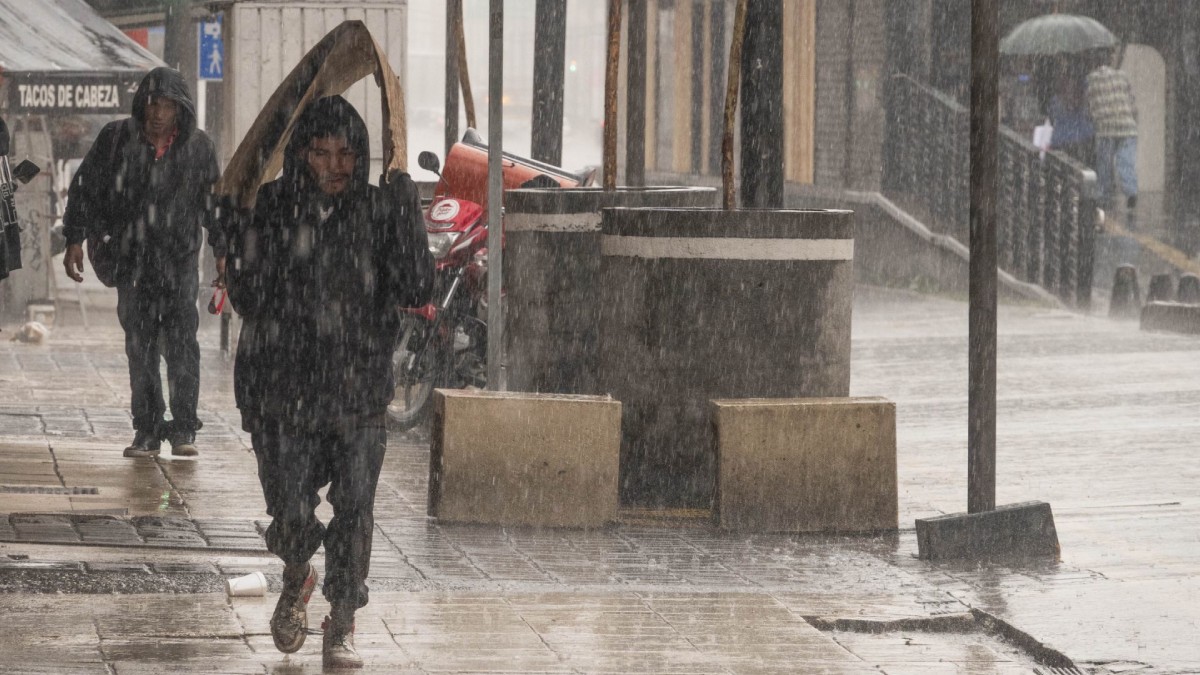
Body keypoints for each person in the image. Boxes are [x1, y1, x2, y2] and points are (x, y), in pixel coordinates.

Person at [225, 95, 432, 668]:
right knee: (290, 509)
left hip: (357, 392)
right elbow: (247, 297)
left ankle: (342, 619)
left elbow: (417, 288)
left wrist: (406, 208)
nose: (335, 166)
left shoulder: (378, 209)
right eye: (322, 153)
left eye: (347, 154)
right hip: (281, 393)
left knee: (356, 510)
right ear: (301, 155)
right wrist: (234, 234)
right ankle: (297, 573)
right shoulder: (271, 206)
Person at [61, 67, 224, 458]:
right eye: (152, 103)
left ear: (180, 109)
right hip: (131, 262)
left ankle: (184, 429)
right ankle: (148, 429)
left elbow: (214, 208)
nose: (157, 113)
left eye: (167, 105)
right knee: (142, 348)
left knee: (183, 345)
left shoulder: (198, 147)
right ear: (141, 104)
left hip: (180, 262)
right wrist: (74, 239)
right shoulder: (116, 139)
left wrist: (223, 255)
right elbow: (85, 190)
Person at [1086, 49, 1139, 216]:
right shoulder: (1122, 76)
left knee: (1104, 164)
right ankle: (1131, 193)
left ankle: (1104, 196)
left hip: (1105, 128)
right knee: (1125, 161)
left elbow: (1090, 107)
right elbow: (1132, 103)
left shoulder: (1091, 79)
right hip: (1127, 126)